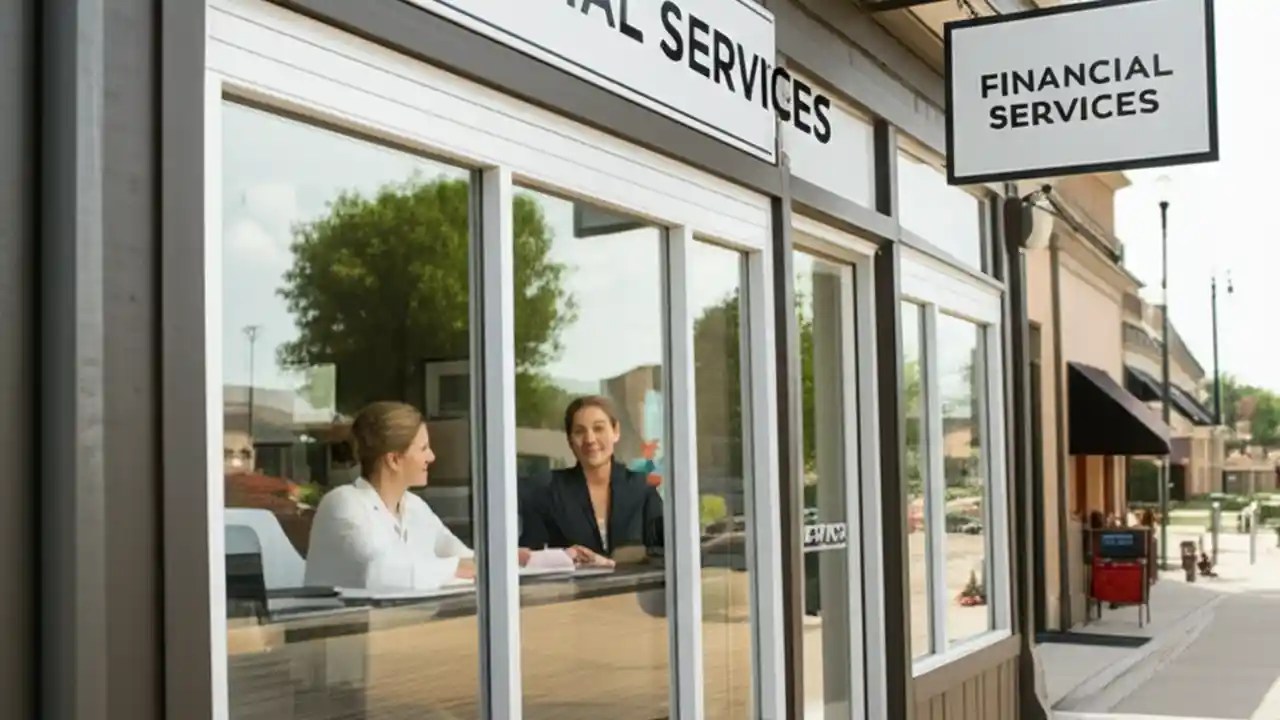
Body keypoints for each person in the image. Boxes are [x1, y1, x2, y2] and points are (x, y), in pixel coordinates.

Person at [304, 401, 476, 591]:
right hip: (337, 620)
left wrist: (508, 559)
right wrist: (456, 568)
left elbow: (465, 559)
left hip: (401, 620)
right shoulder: (342, 503)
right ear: (394, 460)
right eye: (423, 448)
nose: (432, 457)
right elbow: (381, 574)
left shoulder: (415, 507)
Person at [520, 395, 663, 563]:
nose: (590, 439)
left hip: (633, 588)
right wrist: (565, 558)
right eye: (579, 431)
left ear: (616, 432)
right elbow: (531, 558)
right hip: (571, 589)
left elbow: (666, 552)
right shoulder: (548, 491)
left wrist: (613, 563)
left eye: (598, 429)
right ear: (570, 440)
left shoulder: (641, 489)